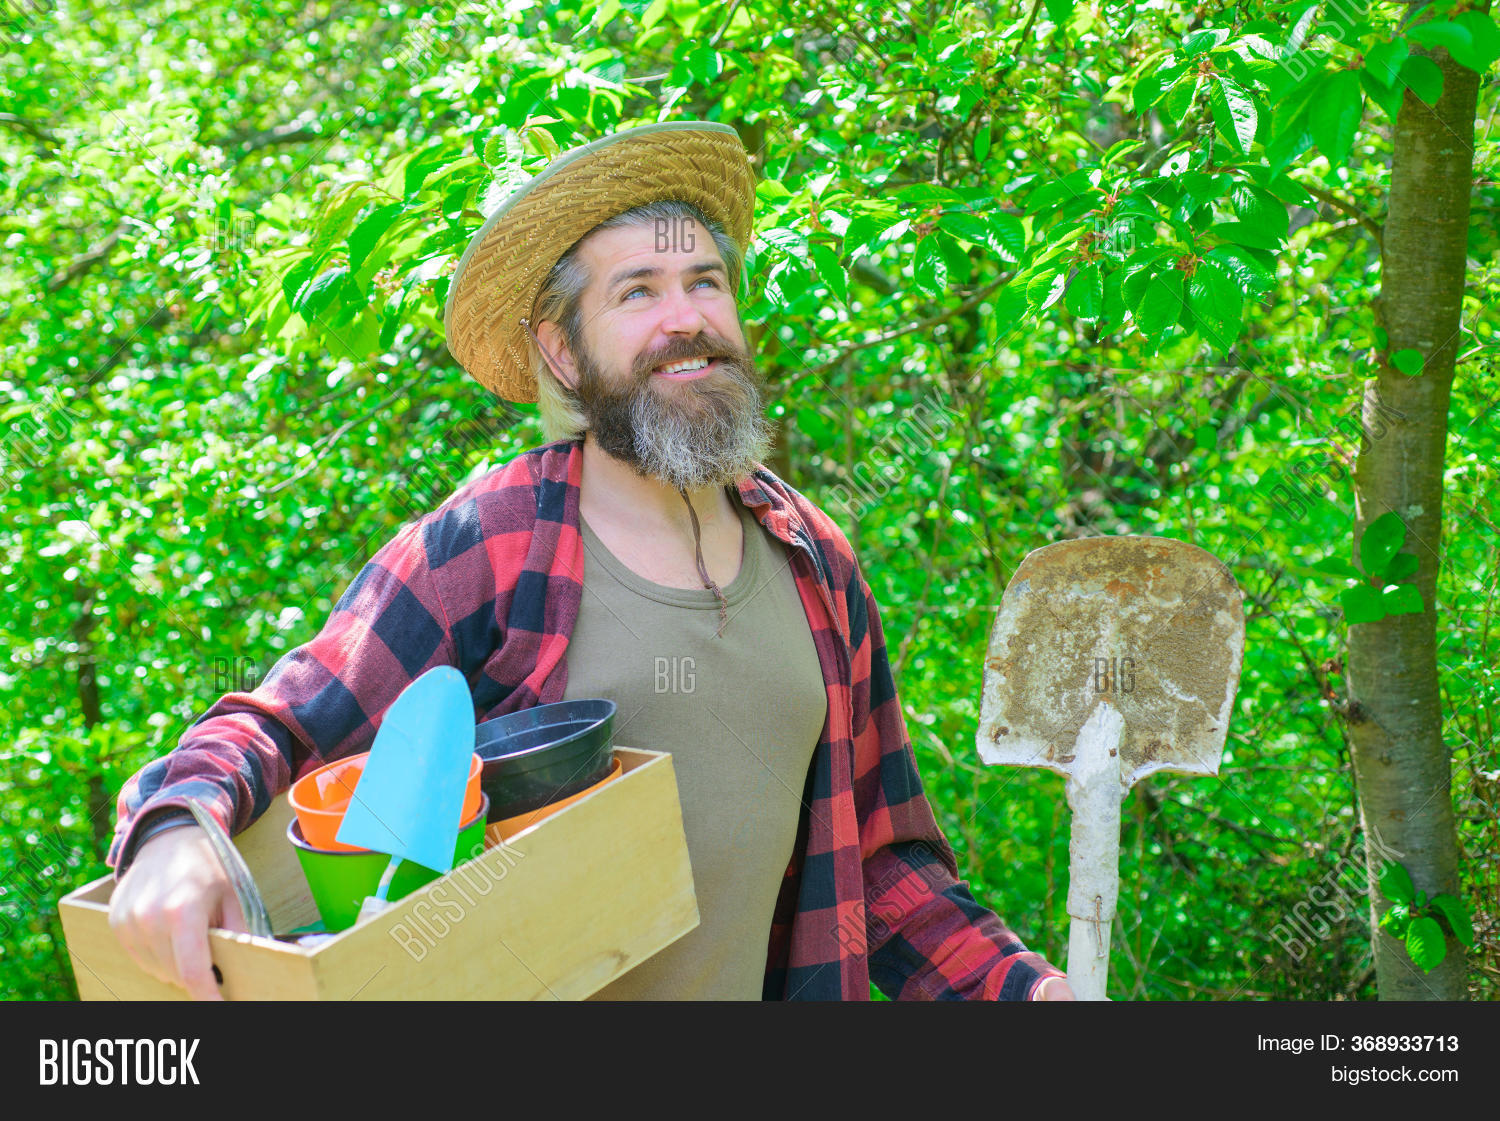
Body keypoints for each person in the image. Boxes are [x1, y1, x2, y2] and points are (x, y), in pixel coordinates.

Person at [107, 121, 1074, 1001]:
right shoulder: (491, 541)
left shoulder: (814, 557)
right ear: (561, 354)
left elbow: (882, 866)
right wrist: (177, 831)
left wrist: (1023, 992)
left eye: (706, 281)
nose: (685, 318)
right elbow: (280, 721)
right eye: (638, 293)